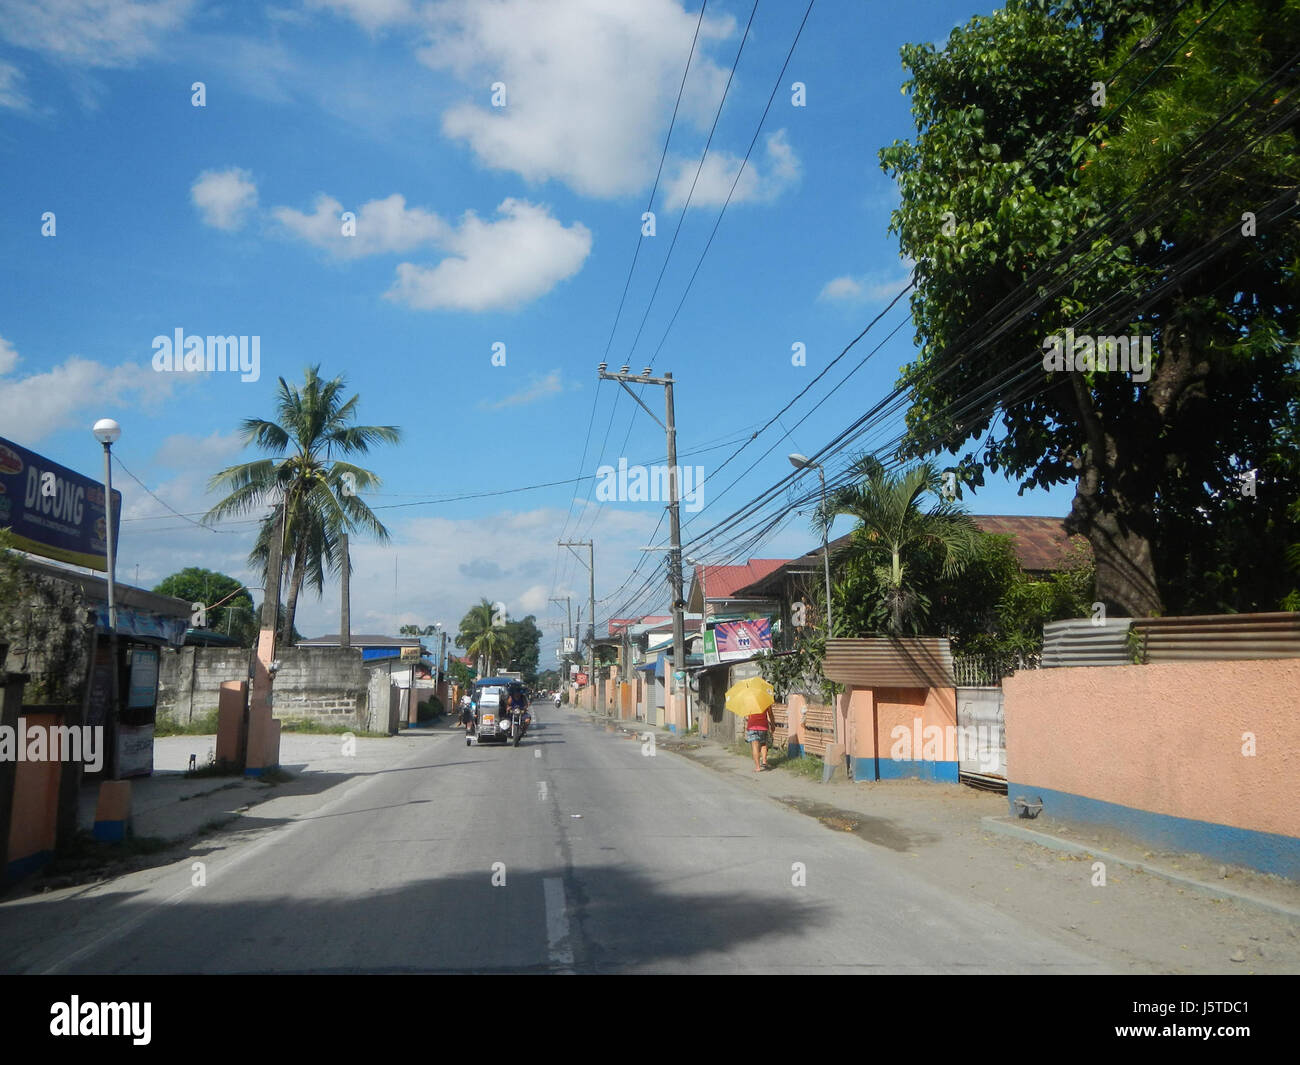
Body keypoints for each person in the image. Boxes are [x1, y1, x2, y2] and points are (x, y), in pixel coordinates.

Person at [746, 705, 775, 772]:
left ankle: (758, 767)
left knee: (755, 746)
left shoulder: (749, 702)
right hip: (763, 727)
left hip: (752, 727)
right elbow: (770, 714)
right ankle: (764, 762)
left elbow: (747, 715)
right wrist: (773, 724)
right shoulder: (765, 701)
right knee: (763, 744)